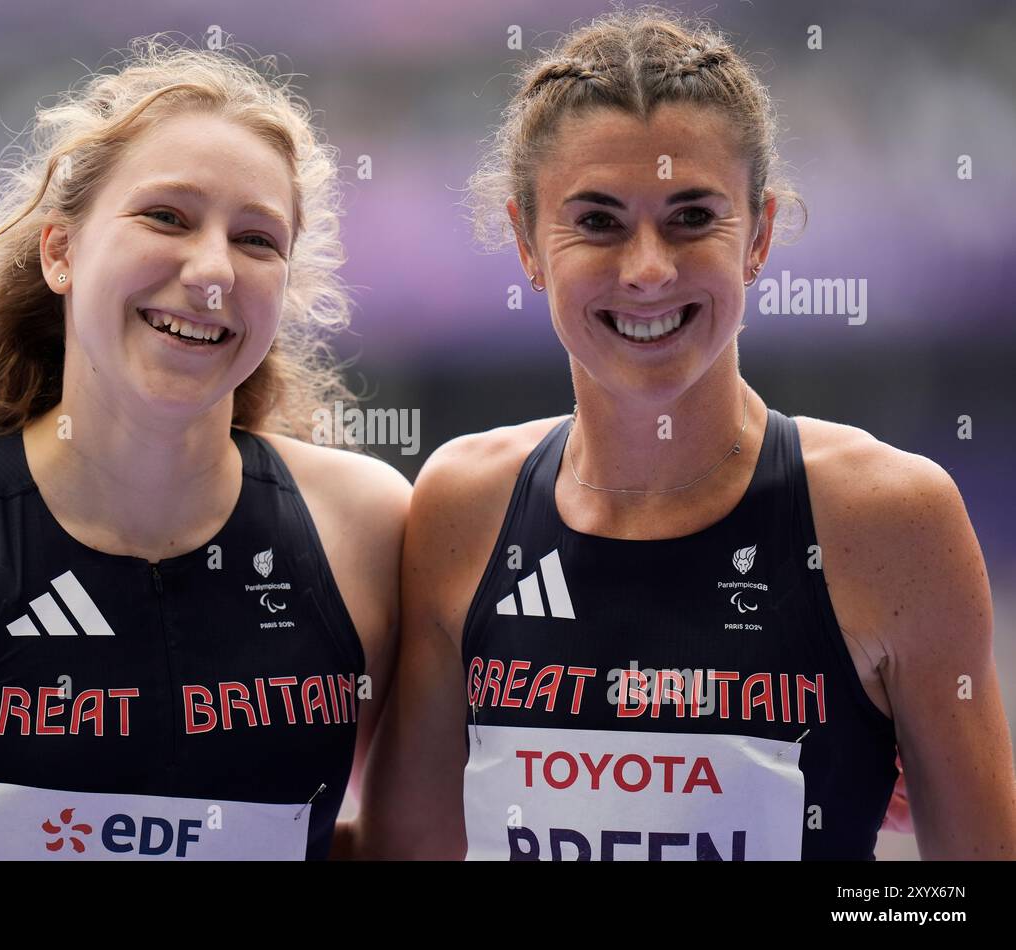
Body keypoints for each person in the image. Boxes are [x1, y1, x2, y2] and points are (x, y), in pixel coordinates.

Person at [361, 9, 1016, 860]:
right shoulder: (462, 508)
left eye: (691, 217)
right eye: (597, 221)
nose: (648, 269)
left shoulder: (891, 519)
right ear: (526, 242)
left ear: (760, 236)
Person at [0, 37, 409, 860]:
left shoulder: (370, 525)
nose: (212, 269)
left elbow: (406, 835)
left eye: (257, 240)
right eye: (166, 217)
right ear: (60, 251)